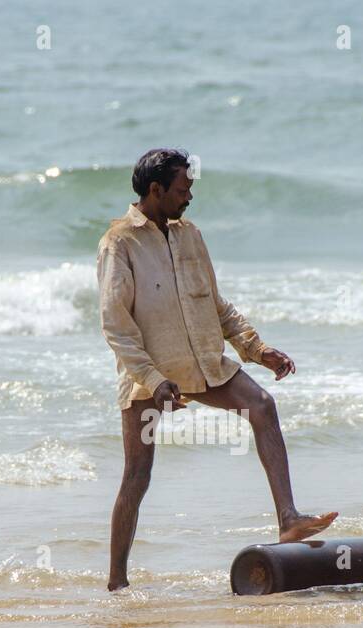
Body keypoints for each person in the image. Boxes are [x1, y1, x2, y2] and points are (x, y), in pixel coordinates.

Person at [97, 147, 338, 591]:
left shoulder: (190, 235)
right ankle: (117, 582)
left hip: (204, 364)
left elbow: (216, 305)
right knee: (137, 476)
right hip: (150, 376)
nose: (189, 197)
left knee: (262, 405)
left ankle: (288, 518)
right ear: (156, 190)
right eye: (182, 190)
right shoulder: (120, 242)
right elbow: (116, 324)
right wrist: (152, 379)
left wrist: (256, 349)